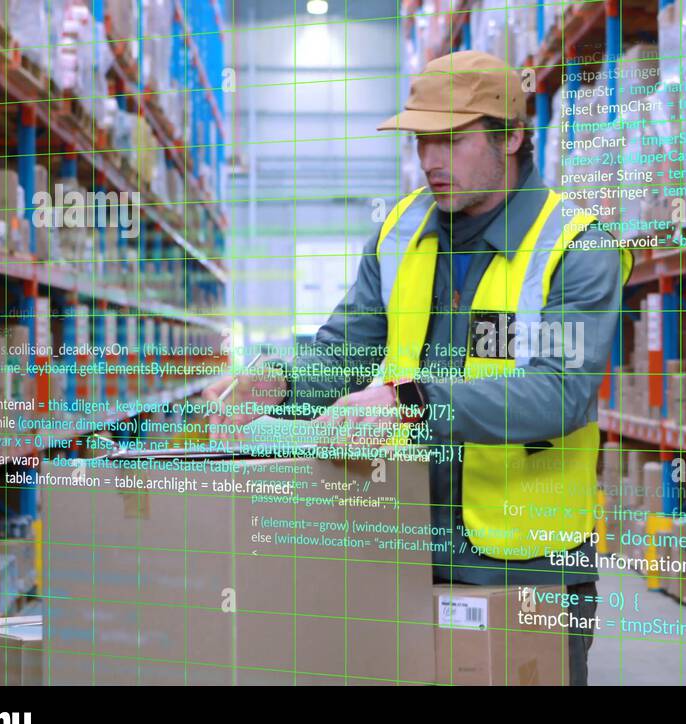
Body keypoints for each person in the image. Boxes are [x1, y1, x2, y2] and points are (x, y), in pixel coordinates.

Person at [204, 50, 632, 685]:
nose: (431, 160)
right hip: (402, 546)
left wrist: (411, 401)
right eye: (421, 140)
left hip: (525, 563)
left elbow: (558, 393)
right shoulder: (401, 232)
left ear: (511, 136)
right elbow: (346, 349)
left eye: (452, 140)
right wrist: (278, 379)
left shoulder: (575, 248)